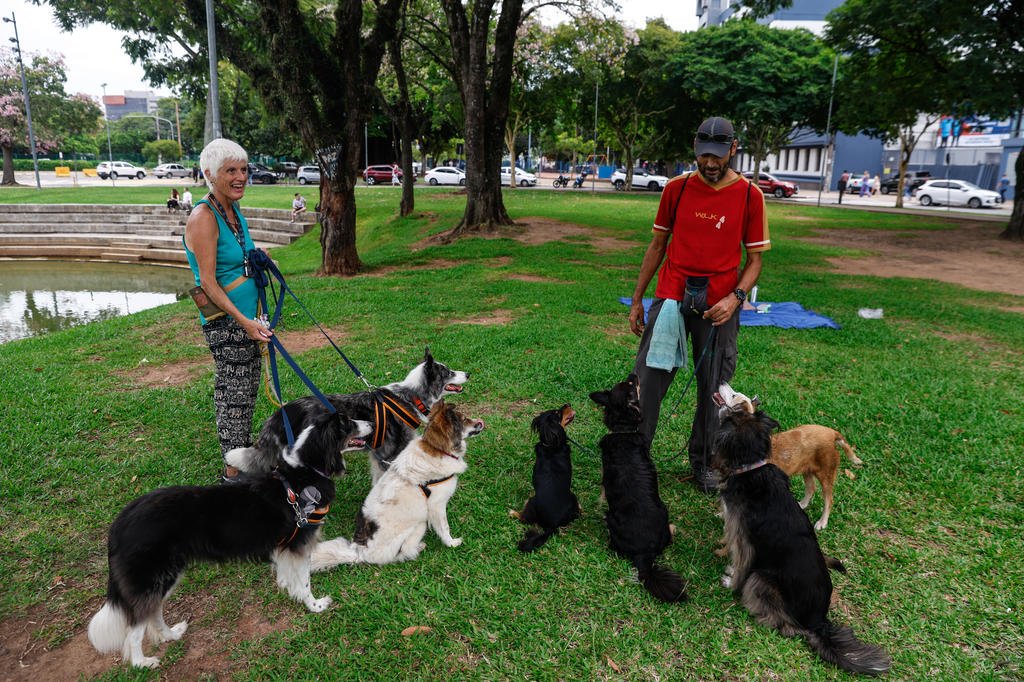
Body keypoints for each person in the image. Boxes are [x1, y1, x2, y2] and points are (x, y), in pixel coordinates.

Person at [628, 116, 769, 493]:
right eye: (704, 155)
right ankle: (635, 455)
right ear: (695, 148)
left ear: (733, 150)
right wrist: (639, 298)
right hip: (672, 295)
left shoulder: (749, 196)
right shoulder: (676, 189)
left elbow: (754, 261)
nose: (710, 163)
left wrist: (735, 299)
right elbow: (657, 245)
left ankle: (706, 462)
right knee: (647, 380)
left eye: (718, 156)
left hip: (719, 303)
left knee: (714, 387)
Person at [182, 138, 272, 482]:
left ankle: (242, 457)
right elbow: (208, 282)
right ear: (209, 174)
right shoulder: (203, 217)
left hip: (248, 319)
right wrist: (244, 321)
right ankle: (234, 471)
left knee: (247, 390)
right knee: (233, 394)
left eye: (243, 169)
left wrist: (262, 260)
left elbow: (237, 259)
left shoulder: (233, 212)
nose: (240, 177)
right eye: (230, 171)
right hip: (227, 321)